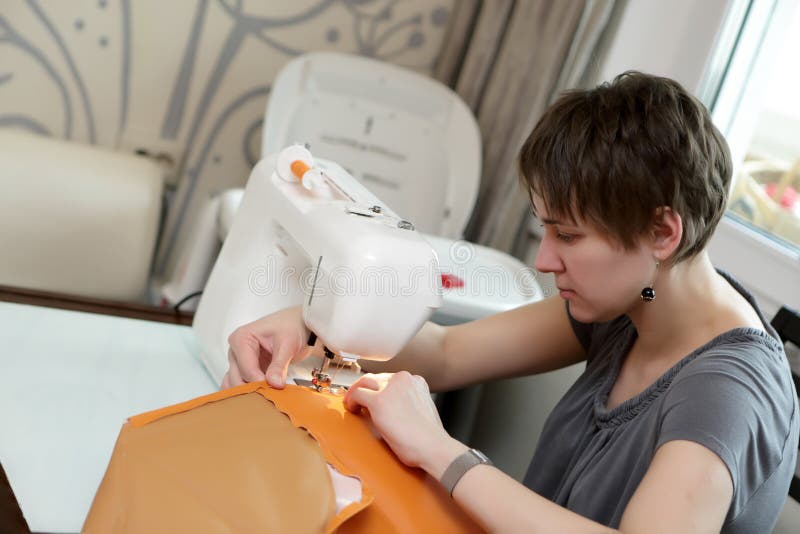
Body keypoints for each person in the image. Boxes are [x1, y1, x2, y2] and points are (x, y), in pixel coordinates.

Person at [221, 72, 798, 533]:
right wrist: (316, 324)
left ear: (662, 233)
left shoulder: (727, 394)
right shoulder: (641, 300)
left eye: (567, 236)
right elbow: (447, 354)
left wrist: (441, 451)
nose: (545, 259)